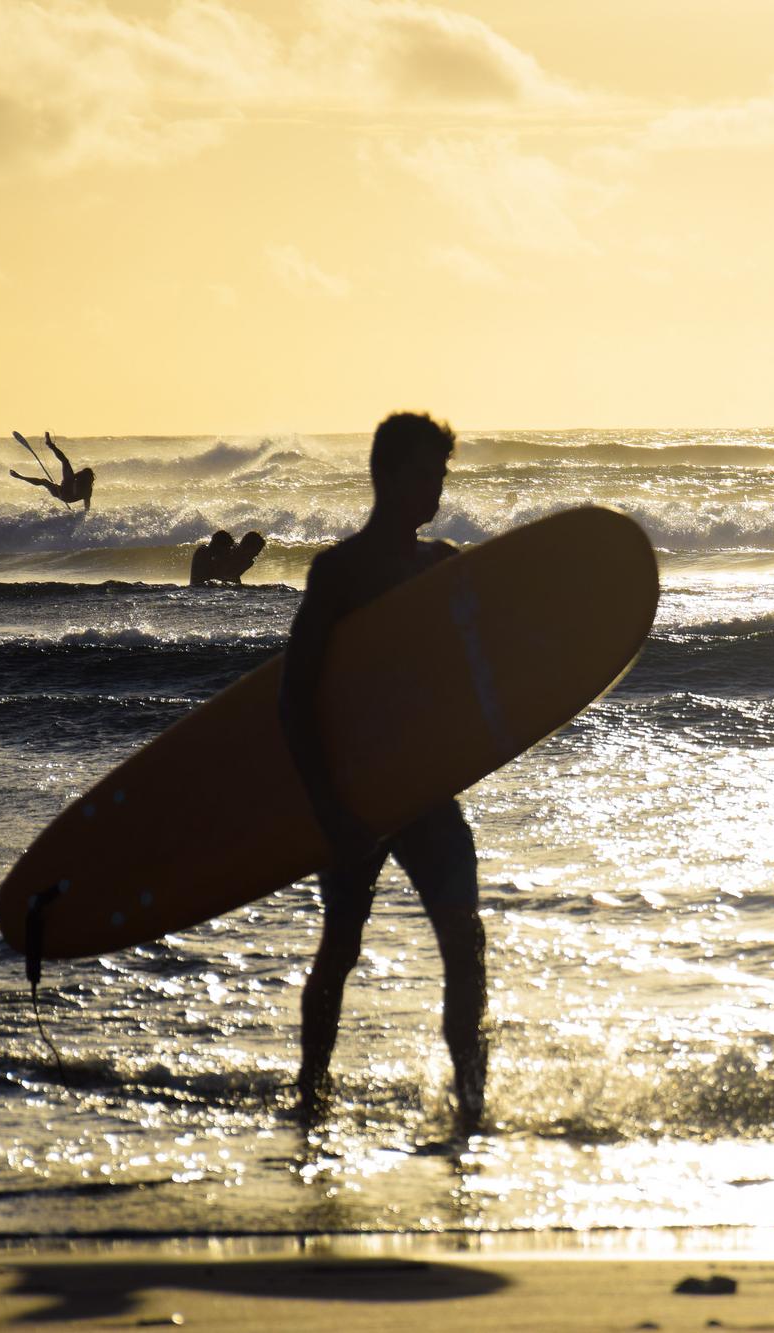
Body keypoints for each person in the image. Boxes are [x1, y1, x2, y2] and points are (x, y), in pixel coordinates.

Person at [280, 412, 486, 1133]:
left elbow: (480, 677)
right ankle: (311, 1094)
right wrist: (330, 809)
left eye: (442, 475)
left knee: (465, 943)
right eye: (428, 473)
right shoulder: (339, 574)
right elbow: (294, 698)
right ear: (390, 475)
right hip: (360, 793)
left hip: (427, 792)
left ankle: (470, 1100)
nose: (438, 488)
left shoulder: (443, 565)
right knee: (340, 947)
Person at [10, 431, 95, 510]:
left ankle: (20, 477)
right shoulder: (80, 480)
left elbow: (86, 506)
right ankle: (50, 445)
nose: (81, 475)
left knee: (44, 481)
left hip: (62, 494)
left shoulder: (86, 489)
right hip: (62, 491)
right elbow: (86, 508)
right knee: (64, 463)